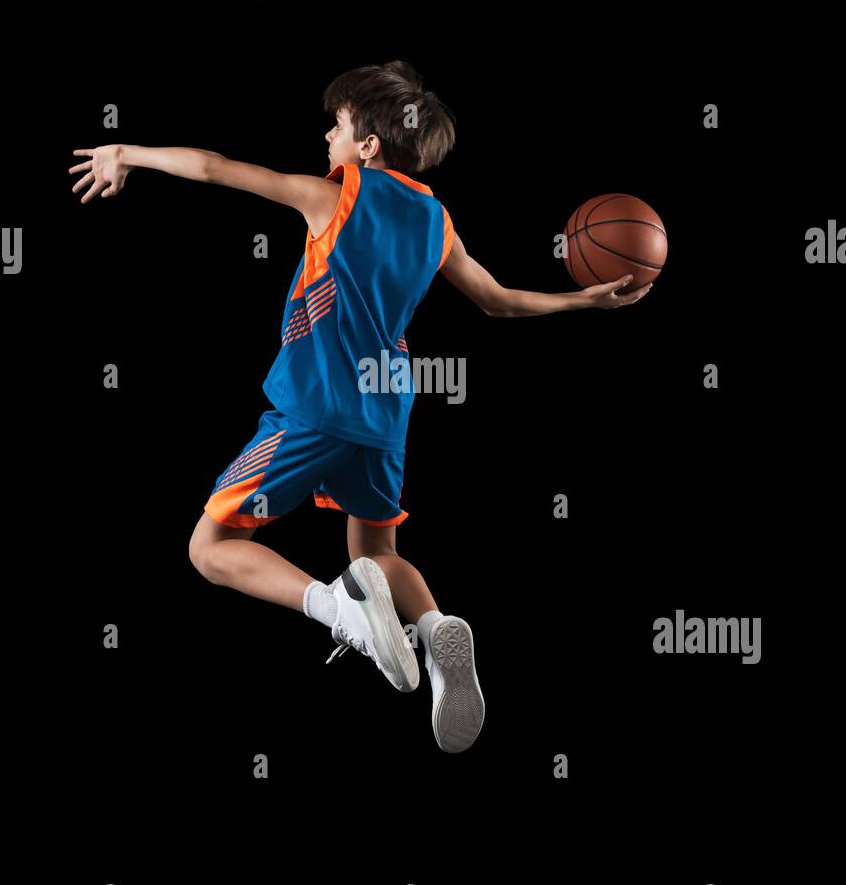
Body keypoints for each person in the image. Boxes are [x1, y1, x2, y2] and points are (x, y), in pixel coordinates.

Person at [69, 59, 650, 753]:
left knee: (211, 546)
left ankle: (338, 610)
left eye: (338, 125)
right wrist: (581, 300)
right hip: (386, 413)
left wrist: (125, 152)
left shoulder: (332, 197)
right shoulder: (436, 221)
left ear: (368, 145)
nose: (326, 135)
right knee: (376, 548)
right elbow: (497, 300)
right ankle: (435, 630)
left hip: (313, 410)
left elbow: (215, 167)